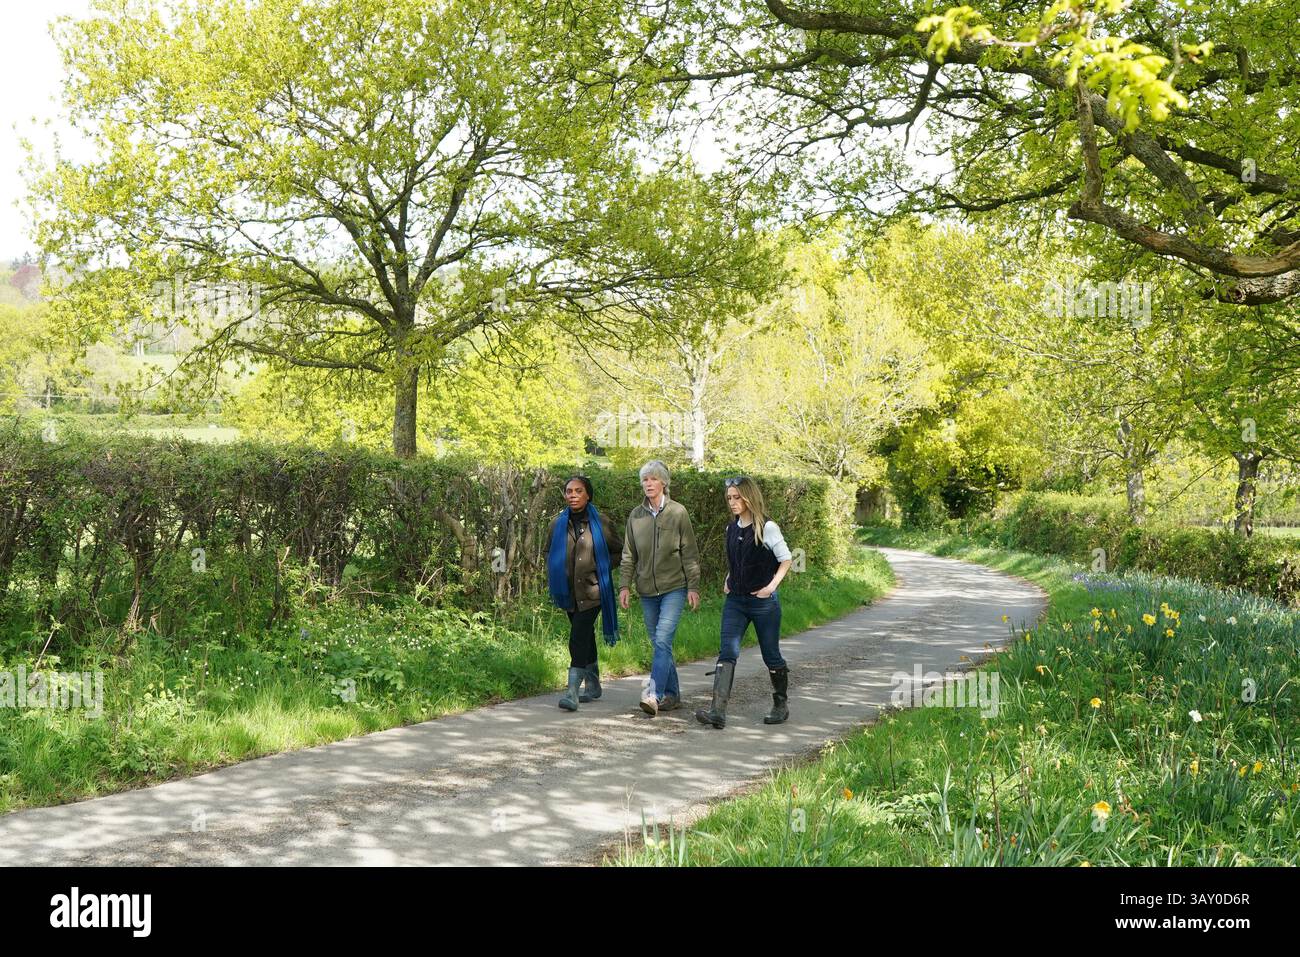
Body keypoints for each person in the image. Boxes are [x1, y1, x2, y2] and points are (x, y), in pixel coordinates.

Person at [696, 476, 793, 729]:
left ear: (749, 497)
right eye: (729, 498)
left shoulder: (767, 527)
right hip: (735, 602)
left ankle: (780, 704)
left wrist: (771, 587)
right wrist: (729, 578)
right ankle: (717, 710)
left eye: (737, 497)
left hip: (763, 603)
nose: (732, 502)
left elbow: (786, 559)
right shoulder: (732, 528)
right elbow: (736, 560)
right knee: (727, 652)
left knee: (771, 655)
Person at [618, 460, 700, 716]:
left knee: (663, 639)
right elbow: (628, 554)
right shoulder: (636, 515)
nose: (648, 484)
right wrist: (624, 585)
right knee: (659, 643)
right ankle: (673, 695)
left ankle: (654, 694)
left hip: (674, 587)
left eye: (653, 479)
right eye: (645, 480)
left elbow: (689, 553)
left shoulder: (678, 512)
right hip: (646, 590)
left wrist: (693, 587)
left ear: (663, 482)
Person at [546, 475, 622, 712]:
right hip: (568, 592)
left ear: (588, 494)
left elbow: (619, 552)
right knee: (585, 634)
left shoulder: (602, 522)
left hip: (594, 591)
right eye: (569, 491)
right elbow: (549, 553)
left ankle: (572, 693)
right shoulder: (556, 525)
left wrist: (601, 569)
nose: (573, 495)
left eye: (578, 491)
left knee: (577, 636)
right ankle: (594, 684)